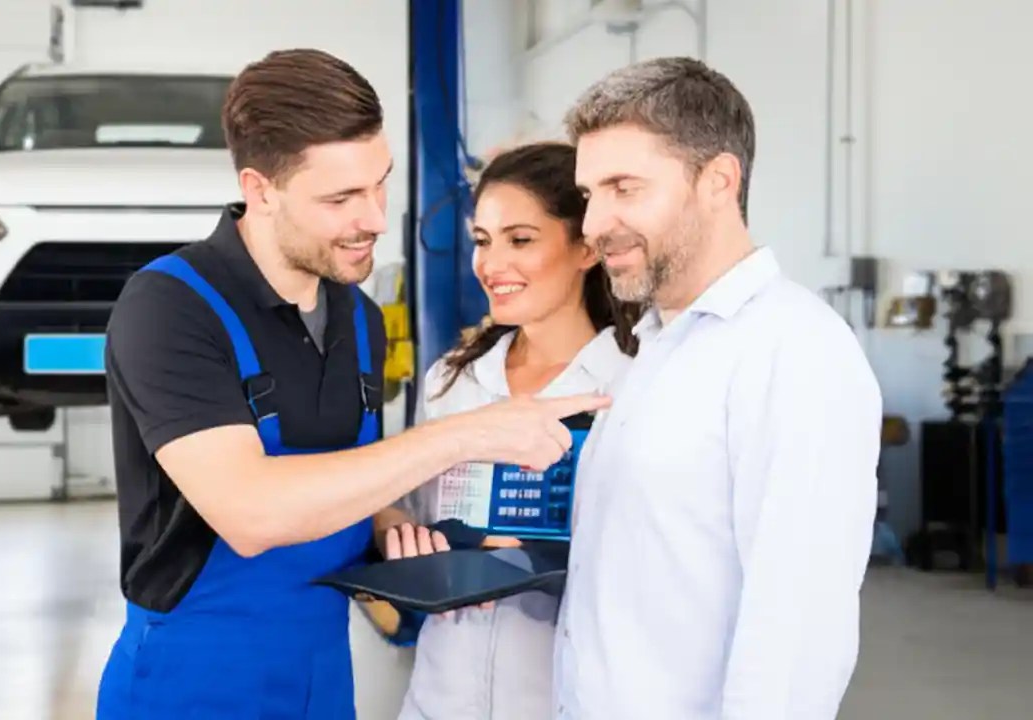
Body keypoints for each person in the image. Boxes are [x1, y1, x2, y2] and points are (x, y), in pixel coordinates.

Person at [94, 48, 609, 720]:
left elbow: (350, 486)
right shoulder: (168, 307)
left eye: (379, 184)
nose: (373, 218)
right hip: (192, 680)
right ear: (260, 189)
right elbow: (251, 514)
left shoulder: (358, 317)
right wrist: (470, 434)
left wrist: (409, 536)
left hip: (324, 677)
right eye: (340, 198)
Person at [552, 56, 884, 720]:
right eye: (591, 194)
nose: (592, 225)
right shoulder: (660, 344)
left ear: (719, 180)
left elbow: (795, 633)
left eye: (624, 187)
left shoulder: (793, 351)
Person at [372, 141, 642, 719]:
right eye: (482, 241)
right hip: (440, 697)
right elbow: (401, 505)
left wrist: (536, 555)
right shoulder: (452, 380)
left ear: (586, 247)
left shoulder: (634, 384)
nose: (492, 266)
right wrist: (396, 532)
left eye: (521, 239)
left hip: (566, 699)